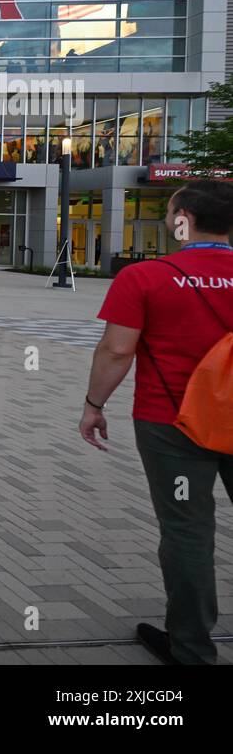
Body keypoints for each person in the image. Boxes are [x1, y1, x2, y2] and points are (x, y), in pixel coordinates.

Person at [80, 180, 233, 665]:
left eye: (170, 212)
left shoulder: (148, 276)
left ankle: (191, 648)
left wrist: (93, 404)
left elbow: (117, 349)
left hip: (173, 424)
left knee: (188, 532)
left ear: (182, 217)